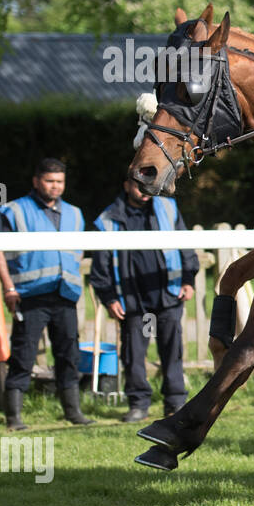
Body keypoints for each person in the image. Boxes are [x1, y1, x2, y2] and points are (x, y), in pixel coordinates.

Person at [0, 159, 92, 430]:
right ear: (36, 181)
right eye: (49, 181)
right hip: (30, 294)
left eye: (59, 181)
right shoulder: (13, 210)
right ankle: (14, 417)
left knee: (68, 354)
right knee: (23, 355)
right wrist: (8, 287)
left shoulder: (75, 213)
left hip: (64, 293)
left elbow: (79, 249)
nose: (55, 186)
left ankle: (73, 412)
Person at [89, 177, 199, 423]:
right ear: (126, 185)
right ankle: (138, 404)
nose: (145, 191)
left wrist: (188, 279)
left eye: (150, 186)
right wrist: (109, 298)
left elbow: (186, 246)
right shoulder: (107, 220)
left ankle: (175, 403)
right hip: (131, 299)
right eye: (139, 185)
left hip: (168, 293)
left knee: (173, 352)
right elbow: (101, 266)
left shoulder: (168, 208)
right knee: (133, 355)